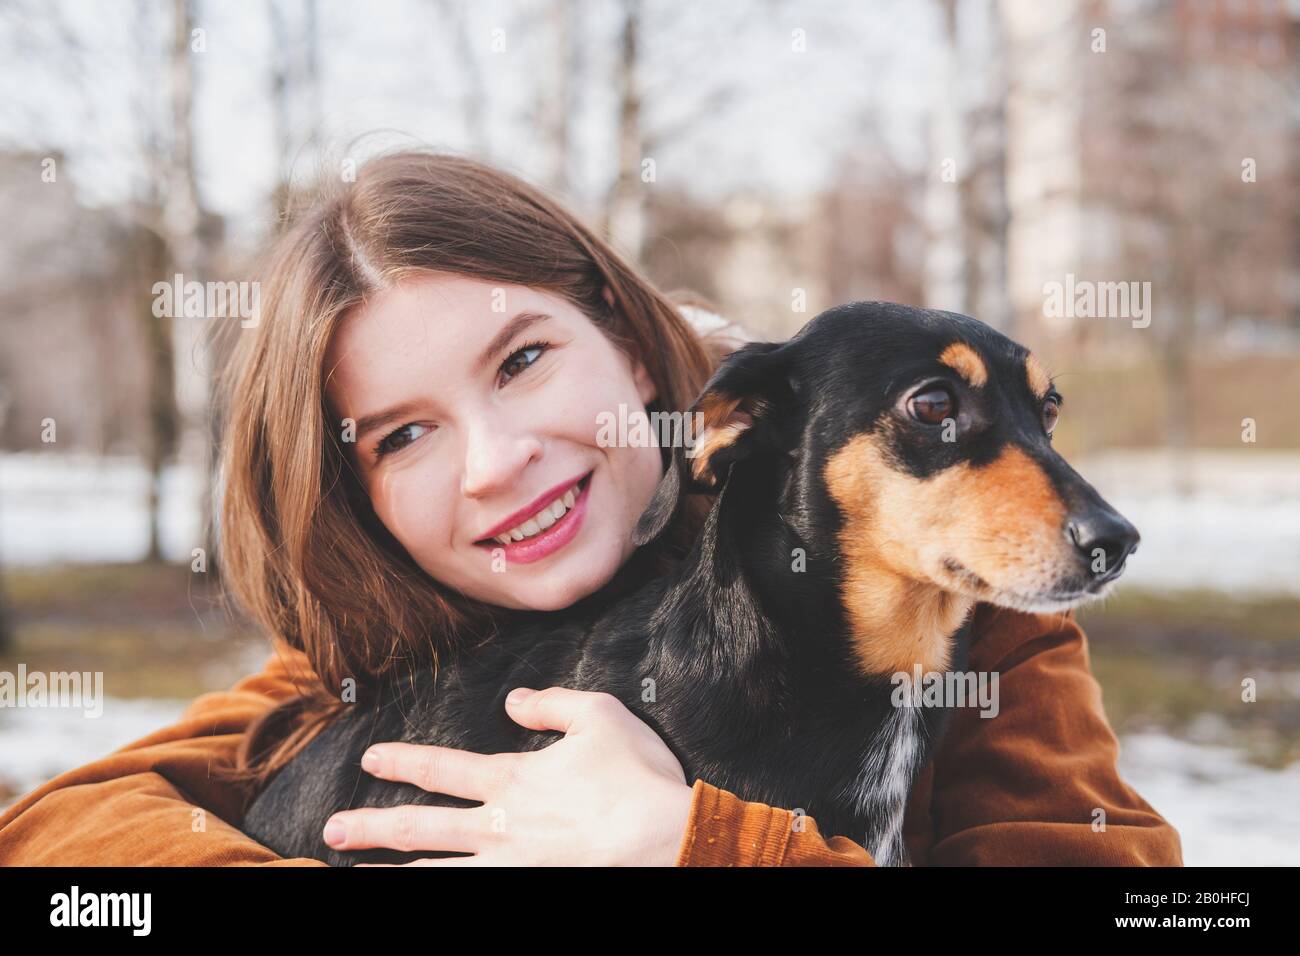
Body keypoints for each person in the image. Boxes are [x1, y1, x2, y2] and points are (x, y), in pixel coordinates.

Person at [0, 151, 1182, 866]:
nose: (495, 463)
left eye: (521, 361)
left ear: (629, 342)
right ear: (360, 499)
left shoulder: (938, 580)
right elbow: (57, 843)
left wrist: (697, 847)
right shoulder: (389, 645)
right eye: (403, 435)